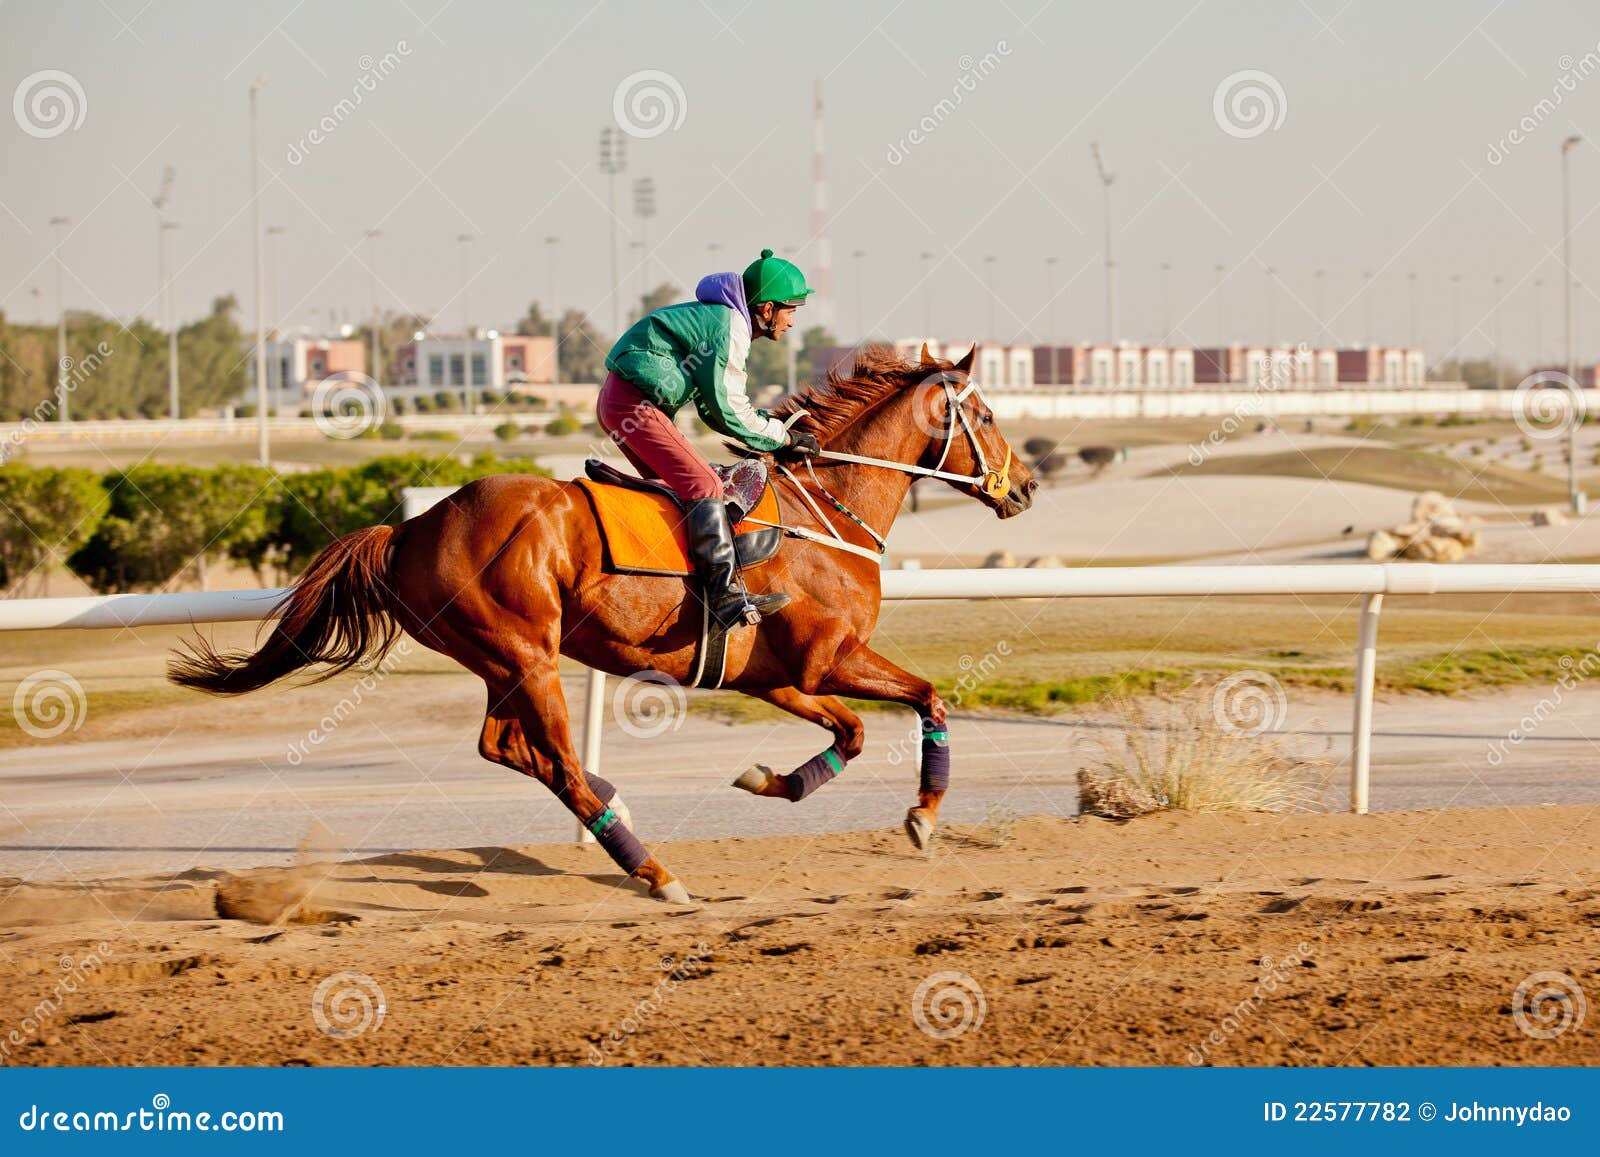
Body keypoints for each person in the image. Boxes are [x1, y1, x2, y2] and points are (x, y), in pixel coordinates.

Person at [598, 248, 821, 630]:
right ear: (766, 309)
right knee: (705, 484)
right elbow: (728, 409)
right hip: (632, 407)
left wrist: (769, 426)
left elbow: (710, 406)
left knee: (679, 489)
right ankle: (725, 597)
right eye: (791, 310)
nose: (792, 321)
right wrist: (782, 437)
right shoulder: (729, 326)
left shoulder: (719, 323)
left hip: (623, 402)